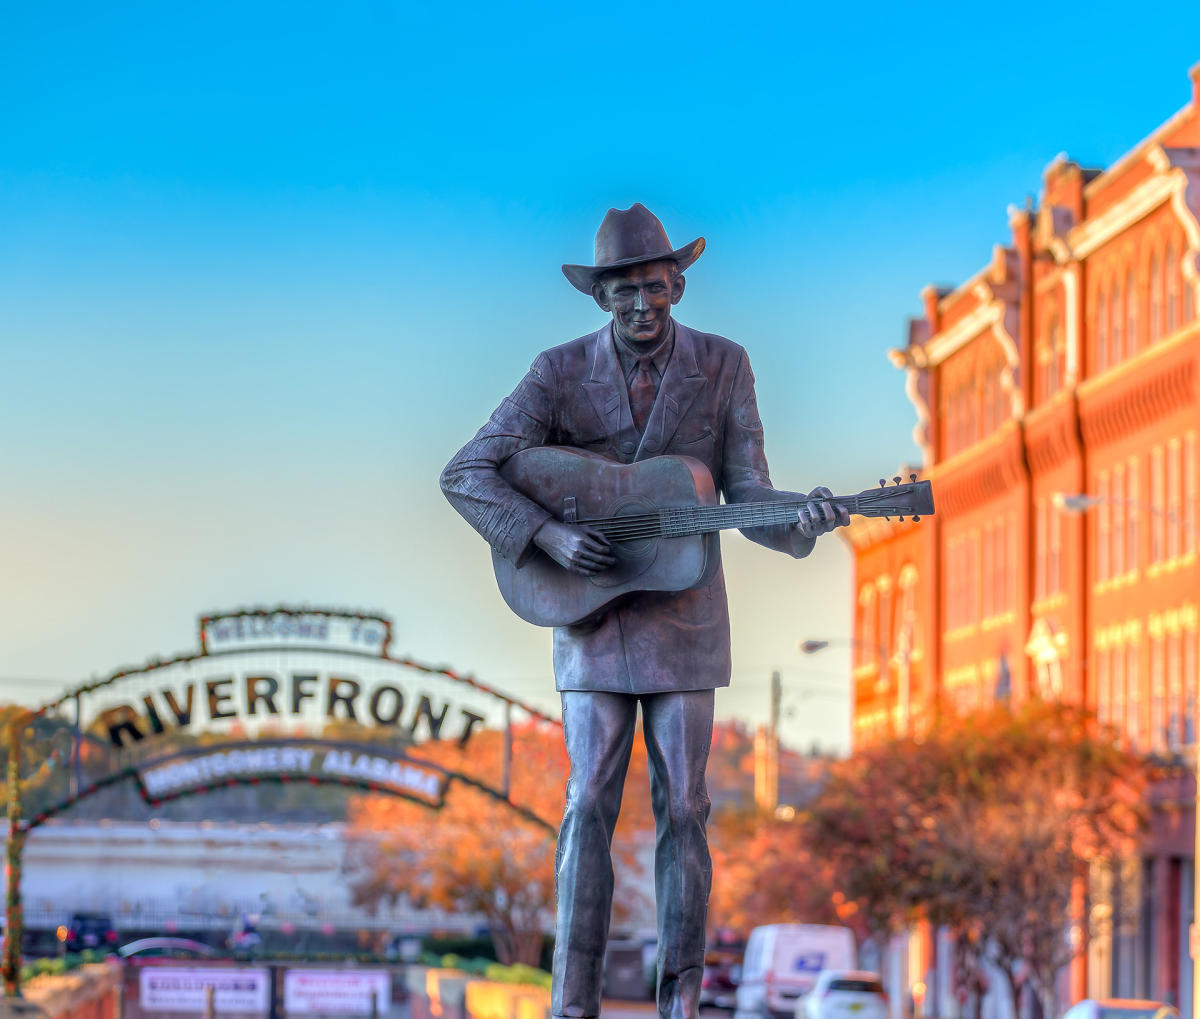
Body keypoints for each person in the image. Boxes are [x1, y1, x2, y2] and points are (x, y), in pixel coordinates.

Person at [440, 204, 846, 1019]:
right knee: (588, 797)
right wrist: (548, 533)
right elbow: (466, 471)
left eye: (656, 288)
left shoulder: (726, 365)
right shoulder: (556, 373)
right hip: (589, 614)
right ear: (601, 297)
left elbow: (748, 491)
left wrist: (798, 525)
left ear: (679, 284)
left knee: (686, 805)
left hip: (688, 614)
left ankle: (682, 1005)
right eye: (626, 292)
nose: (642, 306)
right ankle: (571, 1003)